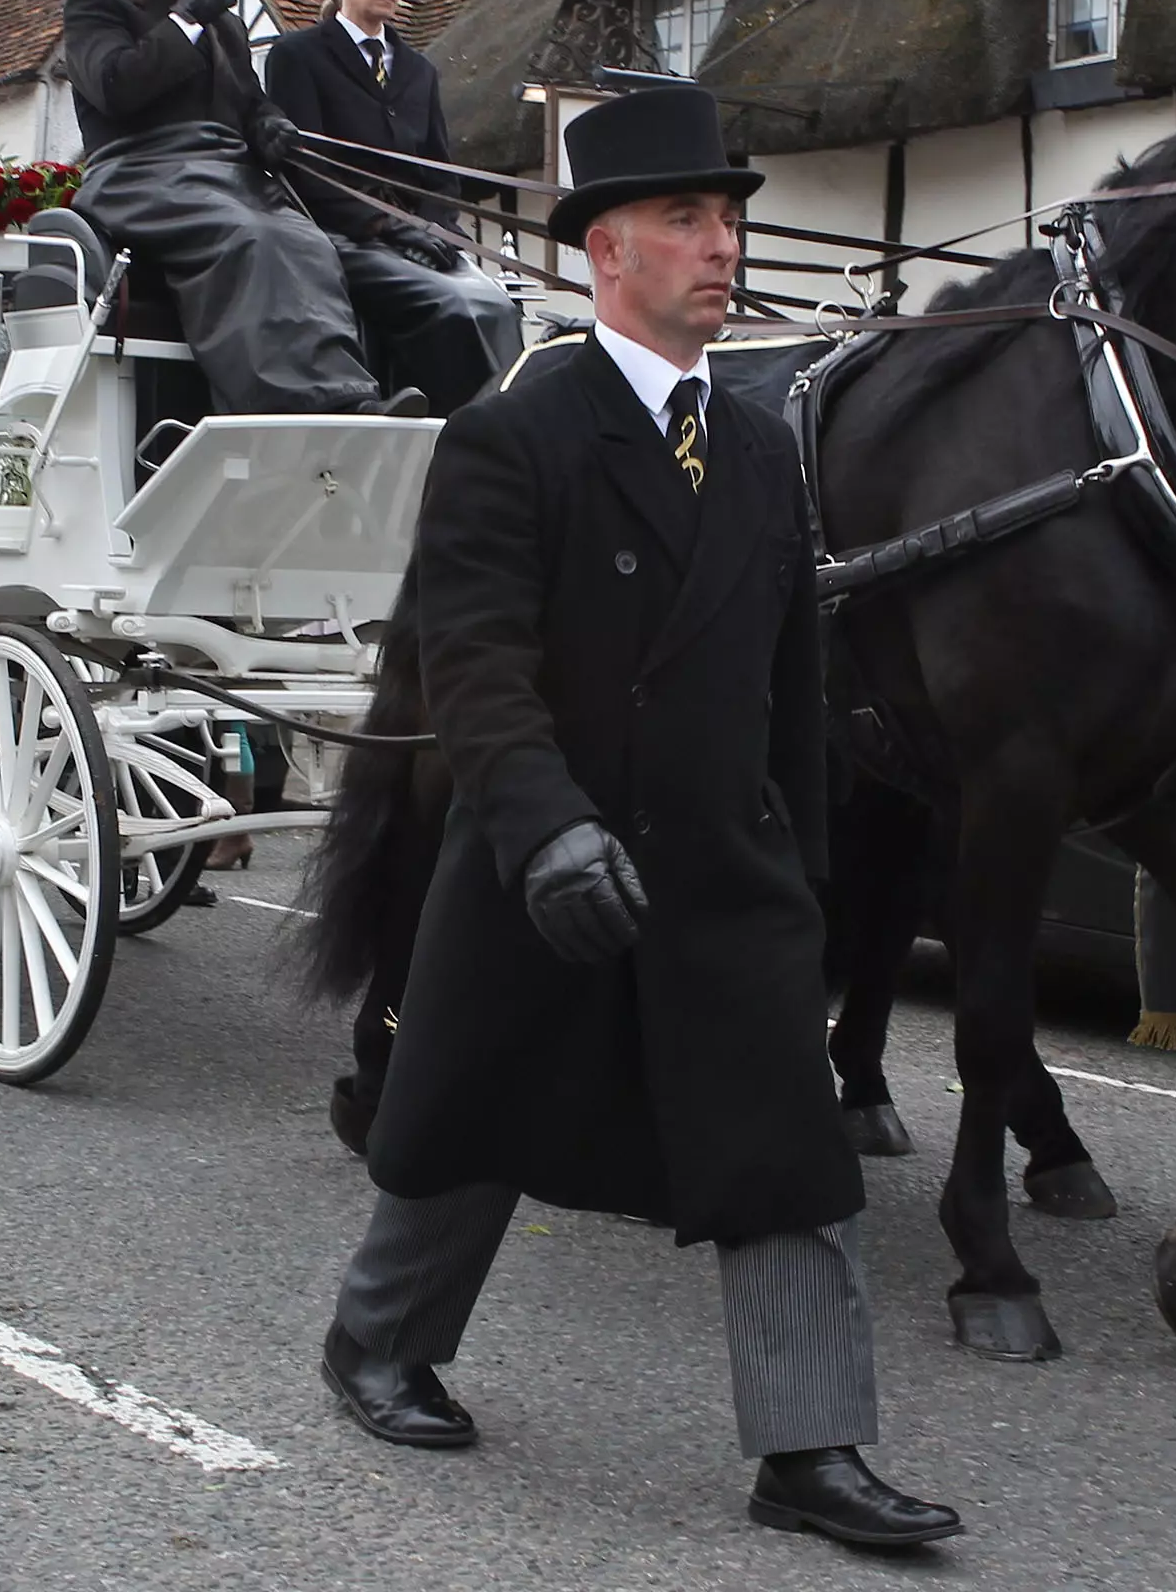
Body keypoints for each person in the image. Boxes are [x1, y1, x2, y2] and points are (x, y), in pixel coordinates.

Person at [321, 86, 961, 1551]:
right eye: (687, 220)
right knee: (473, 1124)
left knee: (787, 1150)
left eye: (729, 221)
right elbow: (469, 662)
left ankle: (811, 1451)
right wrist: (542, 828)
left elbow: (789, 687)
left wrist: (801, 875)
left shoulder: (755, 451)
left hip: (720, 872)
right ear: (606, 248)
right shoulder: (514, 435)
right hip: (549, 861)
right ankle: (376, 1344)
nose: (721, 246)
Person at [61, 0, 420, 419]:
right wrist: (183, 23)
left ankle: (345, 393)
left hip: (223, 174)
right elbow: (116, 88)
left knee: (308, 240)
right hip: (140, 174)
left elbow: (248, 102)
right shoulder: (98, 7)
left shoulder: (221, 24)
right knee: (251, 235)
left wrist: (270, 125)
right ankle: (282, 406)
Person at [263, 0, 523, 413]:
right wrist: (385, 227)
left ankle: (511, 432)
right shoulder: (299, 58)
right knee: (449, 306)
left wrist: (434, 227)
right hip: (345, 239)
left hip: (420, 240)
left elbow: (440, 173)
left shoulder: (419, 71)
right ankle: (465, 432)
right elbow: (306, 173)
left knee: (497, 305)